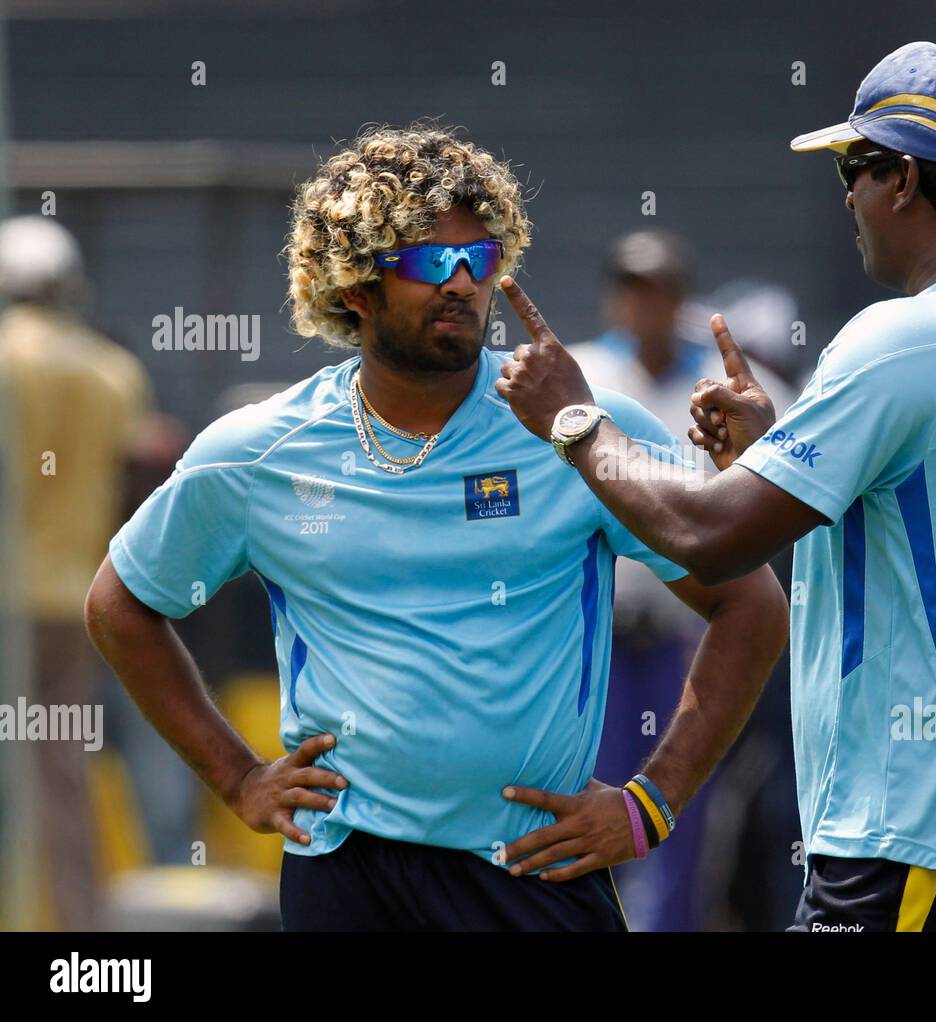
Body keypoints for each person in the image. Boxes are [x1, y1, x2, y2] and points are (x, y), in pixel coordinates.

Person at [84, 122, 788, 932]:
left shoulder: (577, 425)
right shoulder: (261, 450)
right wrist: (239, 778)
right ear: (355, 286)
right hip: (346, 880)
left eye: (480, 258)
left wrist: (649, 805)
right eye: (429, 262)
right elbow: (120, 604)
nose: (462, 283)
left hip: (533, 873)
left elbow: (751, 605)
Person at [491, 42, 936, 931]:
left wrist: (576, 423)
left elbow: (709, 536)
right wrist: (778, 457)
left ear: (902, 179)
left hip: (918, 842)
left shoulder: (910, 336)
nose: (849, 202)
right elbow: (935, 546)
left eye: (853, 172)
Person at [569, 230, 792, 930]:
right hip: (590, 635)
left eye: (660, 289)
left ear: (681, 297)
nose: (647, 304)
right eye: (634, 288)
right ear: (614, 298)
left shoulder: (730, 380)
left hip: (688, 631)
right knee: (583, 797)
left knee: (675, 811)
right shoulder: (580, 374)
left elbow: (786, 469)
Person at [0, 215, 153, 930]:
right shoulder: (113, 371)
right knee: (61, 776)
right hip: (77, 602)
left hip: (8, 602)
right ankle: (77, 932)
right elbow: (130, 489)